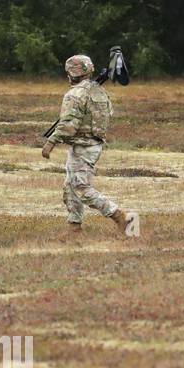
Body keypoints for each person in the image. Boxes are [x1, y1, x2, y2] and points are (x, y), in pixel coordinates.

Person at [42, 54, 129, 234]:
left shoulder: (74, 94)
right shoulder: (99, 91)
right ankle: (75, 228)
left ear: (72, 74)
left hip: (83, 147)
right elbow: (107, 114)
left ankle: (120, 216)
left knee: (81, 188)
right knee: (70, 187)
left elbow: (68, 125)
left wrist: (51, 142)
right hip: (92, 145)